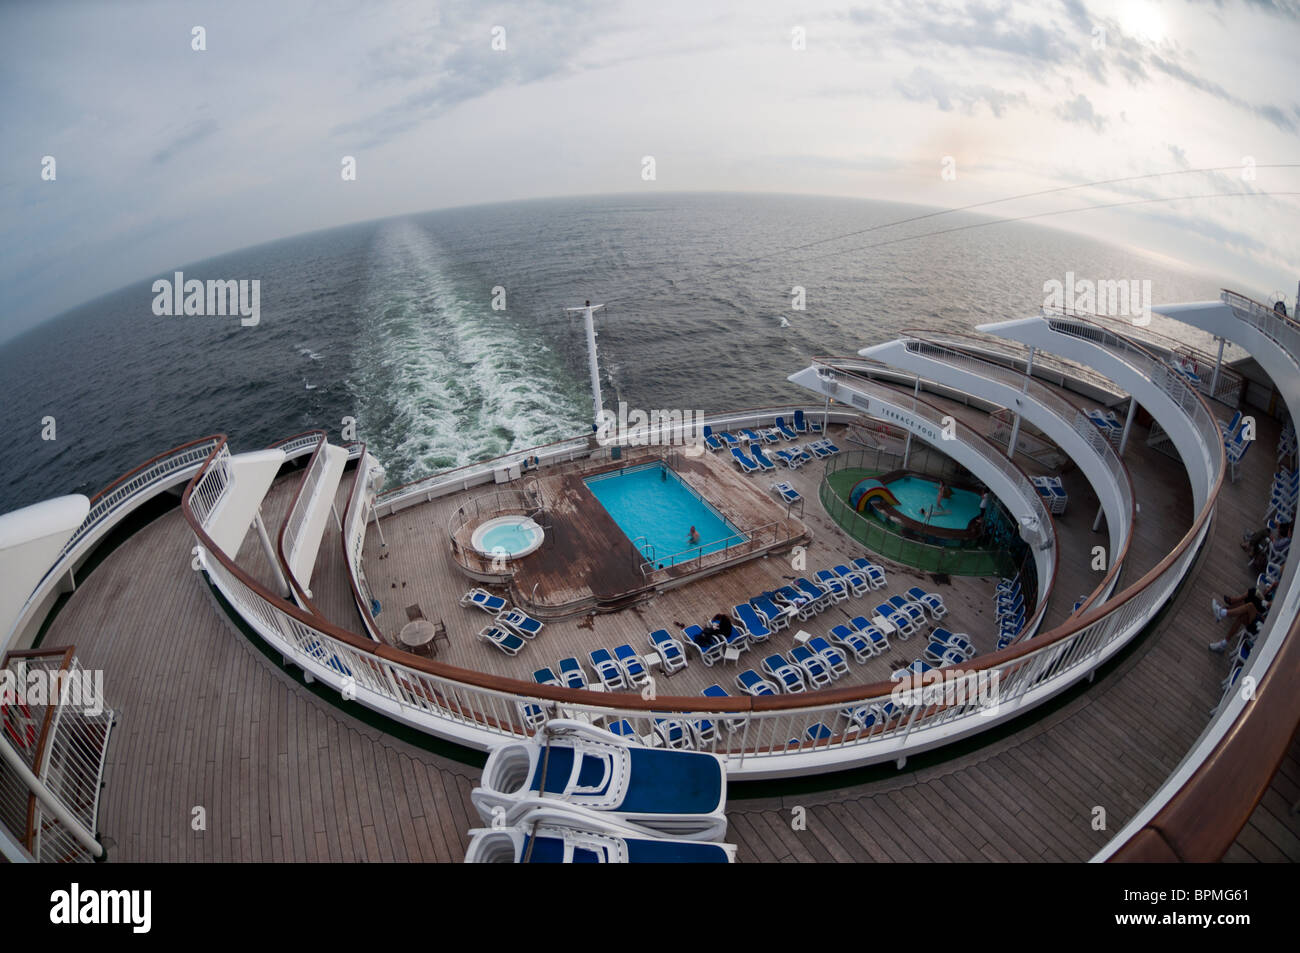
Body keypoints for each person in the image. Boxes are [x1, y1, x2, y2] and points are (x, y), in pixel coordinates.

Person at [1208, 581, 1276, 652]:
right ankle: (1223, 644)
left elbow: (1271, 606)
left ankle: (1223, 612)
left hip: (1262, 627)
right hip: (1262, 621)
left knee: (1250, 603)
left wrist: (1270, 591)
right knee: (1242, 616)